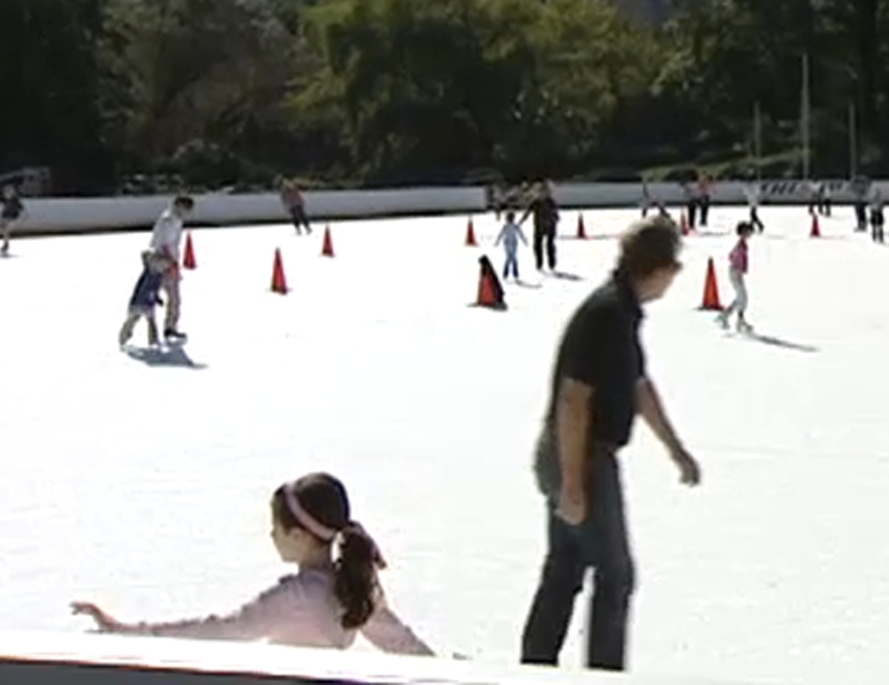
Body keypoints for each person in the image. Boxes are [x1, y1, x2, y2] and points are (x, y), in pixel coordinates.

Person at [521, 217, 701, 673]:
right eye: (674, 267)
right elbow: (573, 402)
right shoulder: (606, 315)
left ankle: (532, 668)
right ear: (657, 268)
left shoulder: (621, 313)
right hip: (579, 456)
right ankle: (602, 676)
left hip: (575, 454)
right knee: (615, 574)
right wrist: (575, 484)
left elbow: (639, 387)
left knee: (565, 566)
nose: (675, 276)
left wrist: (675, 449)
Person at [70, 472, 437, 655]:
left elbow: (220, 631)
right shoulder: (356, 582)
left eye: (276, 528)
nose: (271, 536)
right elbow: (402, 644)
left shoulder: (295, 597)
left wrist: (127, 633)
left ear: (300, 536)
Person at [149, 195, 195, 341]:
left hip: (169, 260)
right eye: (186, 208)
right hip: (163, 260)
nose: (187, 212)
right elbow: (163, 243)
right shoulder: (168, 220)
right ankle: (155, 327)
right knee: (155, 296)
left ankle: (170, 327)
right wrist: (171, 262)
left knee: (173, 298)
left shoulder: (176, 220)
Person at [118, 251, 169, 348]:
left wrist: (157, 299)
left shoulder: (159, 275)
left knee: (150, 321)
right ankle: (123, 337)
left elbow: (155, 289)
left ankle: (153, 340)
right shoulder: (149, 272)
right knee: (133, 319)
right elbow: (145, 287)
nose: (164, 268)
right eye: (163, 265)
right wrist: (151, 296)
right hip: (139, 301)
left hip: (148, 302)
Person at [717, 221, 754, 333]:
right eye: (748, 232)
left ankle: (732, 318)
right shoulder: (740, 245)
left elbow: (731, 255)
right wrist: (738, 266)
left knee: (740, 298)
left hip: (737, 272)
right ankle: (733, 319)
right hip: (735, 273)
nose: (750, 234)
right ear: (743, 233)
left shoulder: (742, 245)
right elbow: (732, 256)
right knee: (743, 297)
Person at [522, 182, 560, 274]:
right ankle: (540, 263)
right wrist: (522, 220)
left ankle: (551, 263)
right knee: (539, 245)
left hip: (548, 226)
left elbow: (555, 213)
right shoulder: (537, 202)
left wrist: (556, 218)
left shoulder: (549, 201)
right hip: (540, 226)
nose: (541, 194)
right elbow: (528, 212)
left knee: (549, 245)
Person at [0, 181, 25, 256]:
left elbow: (22, 210)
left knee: (5, 230)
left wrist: (22, 218)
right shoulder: (3, 199)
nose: (7, 194)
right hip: (4, 216)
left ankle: (6, 244)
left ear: (13, 193)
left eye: (9, 192)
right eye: (6, 192)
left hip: (13, 218)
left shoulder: (16, 201)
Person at [496, 211, 529, 282]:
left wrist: (525, 241)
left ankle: (515, 274)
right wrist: (497, 242)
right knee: (508, 258)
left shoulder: (515, 226)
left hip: (514, 244)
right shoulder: (505, 227)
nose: (510, 220)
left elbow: (521, 234)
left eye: (511, 218)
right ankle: (506, 273)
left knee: (514, 258)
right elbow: (501, 234)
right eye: (509, 218)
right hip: (507, 244)